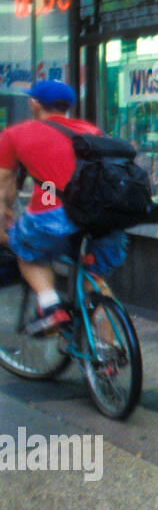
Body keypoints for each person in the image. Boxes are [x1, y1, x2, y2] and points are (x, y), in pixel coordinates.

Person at [0, 80, 129, 335]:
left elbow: (4, 185)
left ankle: (51, 307)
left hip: (52, 214)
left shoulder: (16, 134)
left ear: (34, 103)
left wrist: (4, 217)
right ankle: (108, 356)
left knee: (26, 251)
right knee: (94, 280)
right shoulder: (91, 130)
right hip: (103, 217)